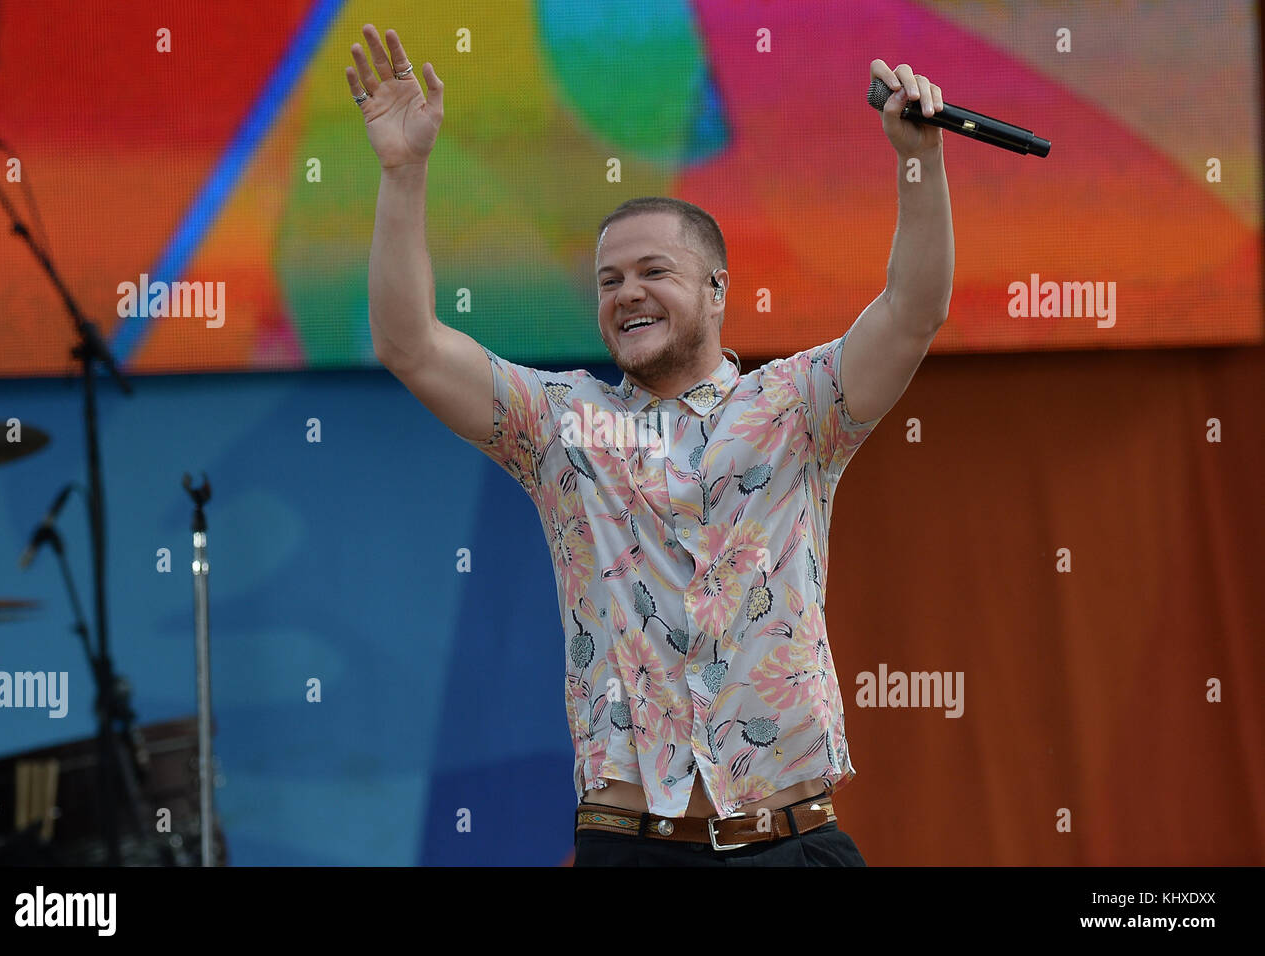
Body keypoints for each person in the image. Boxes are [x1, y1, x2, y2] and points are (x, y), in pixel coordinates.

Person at [346, 24, 953, 867]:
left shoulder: (796, 406)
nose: (627, 292)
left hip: (789, 842)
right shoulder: (560, 424)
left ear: (716, 289)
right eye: (608, 280)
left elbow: (913, 310)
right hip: (631, 847)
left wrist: (917, 161)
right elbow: (409, 342)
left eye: (653, 272)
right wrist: (403, 172)